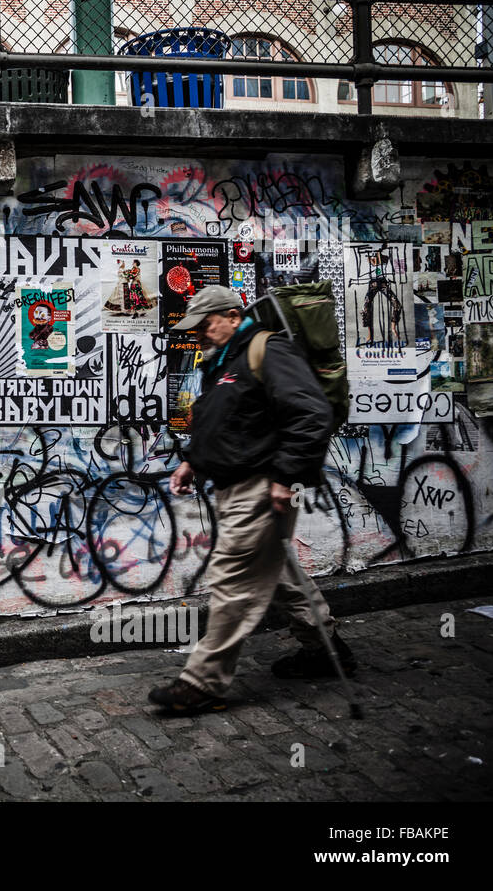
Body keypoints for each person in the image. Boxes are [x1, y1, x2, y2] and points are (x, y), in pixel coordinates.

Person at [149, 285, 356, 714]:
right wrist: (192, 463)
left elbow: (311, 413)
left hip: (262, 488)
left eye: (205, 325)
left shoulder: (268, 350)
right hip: (233, 487)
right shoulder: (225, 360)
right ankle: (325, 648)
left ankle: (203, 683)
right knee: (276, 573)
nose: (200, 334)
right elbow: (228, 422)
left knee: (232, 580)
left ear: (230, 315)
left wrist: (285, 477)